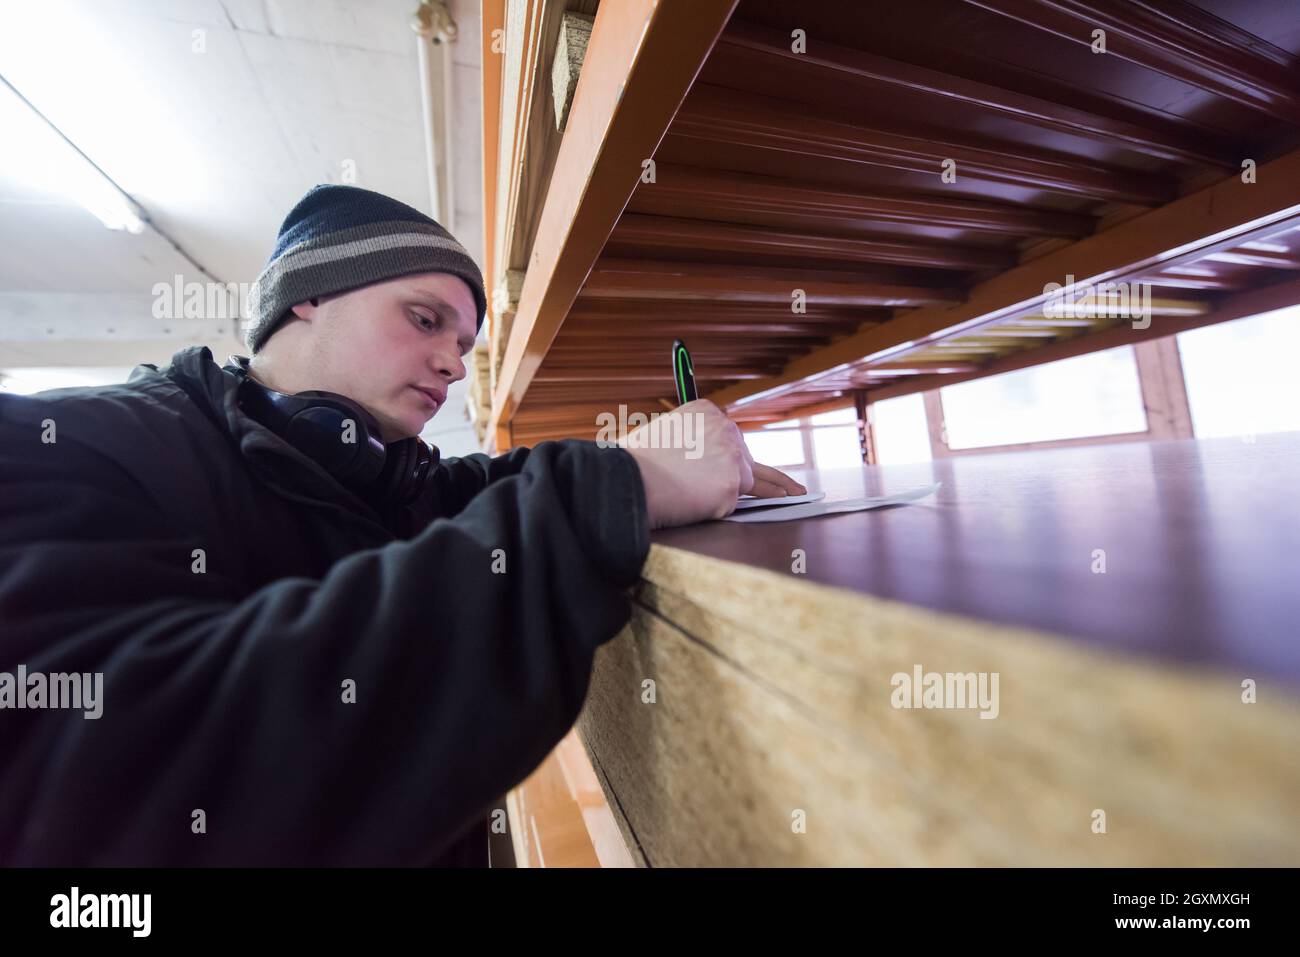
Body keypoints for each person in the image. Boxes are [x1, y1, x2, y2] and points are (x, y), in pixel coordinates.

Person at [0, 184, 804, 866]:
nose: (455, 364)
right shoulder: (68, 447)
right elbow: (114, 792)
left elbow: (487, 489)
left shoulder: (381, 479)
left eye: (464, 343)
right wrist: (612, 490)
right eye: (426, 321)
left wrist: (645, 466)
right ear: (305, 297)